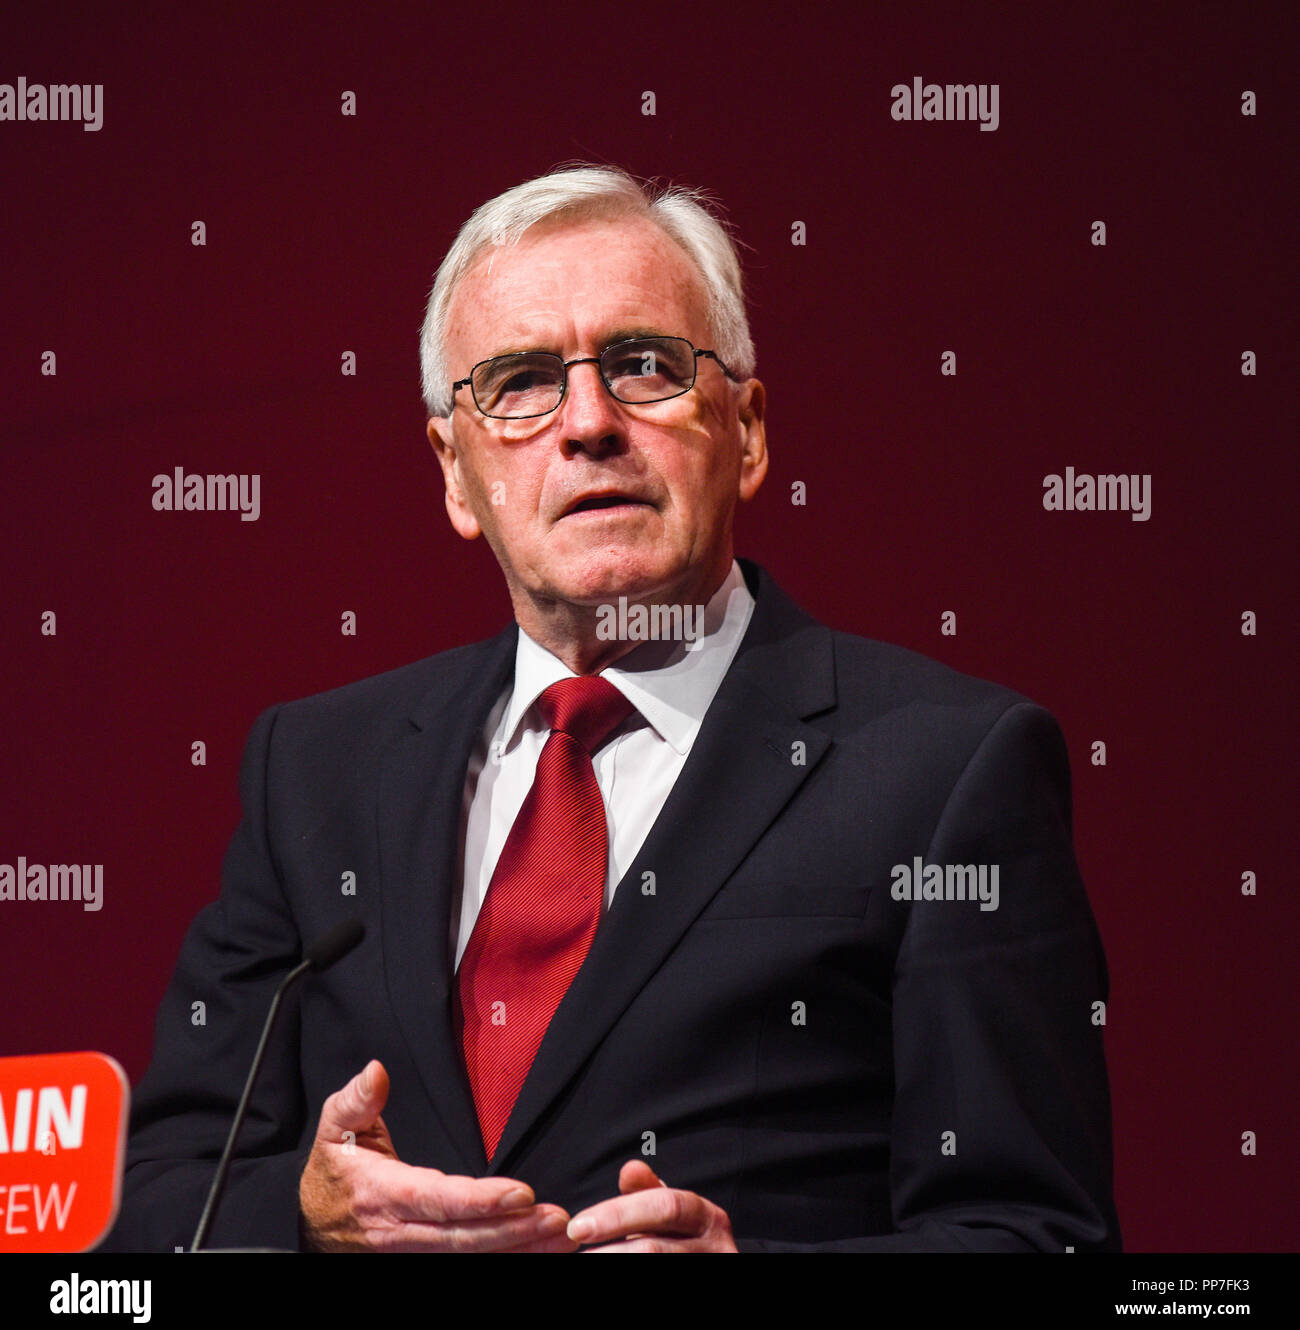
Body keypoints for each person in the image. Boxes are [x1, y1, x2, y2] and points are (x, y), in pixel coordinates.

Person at [101, 164, 1120, 1253]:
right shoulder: (313, 770)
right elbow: (155, 1210)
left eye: (644, 366)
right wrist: (305, 1220)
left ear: (748, 429)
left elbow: (1035, 1231)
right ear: (454, 471)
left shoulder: (942, 769)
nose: (588, 422)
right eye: (522, 382)